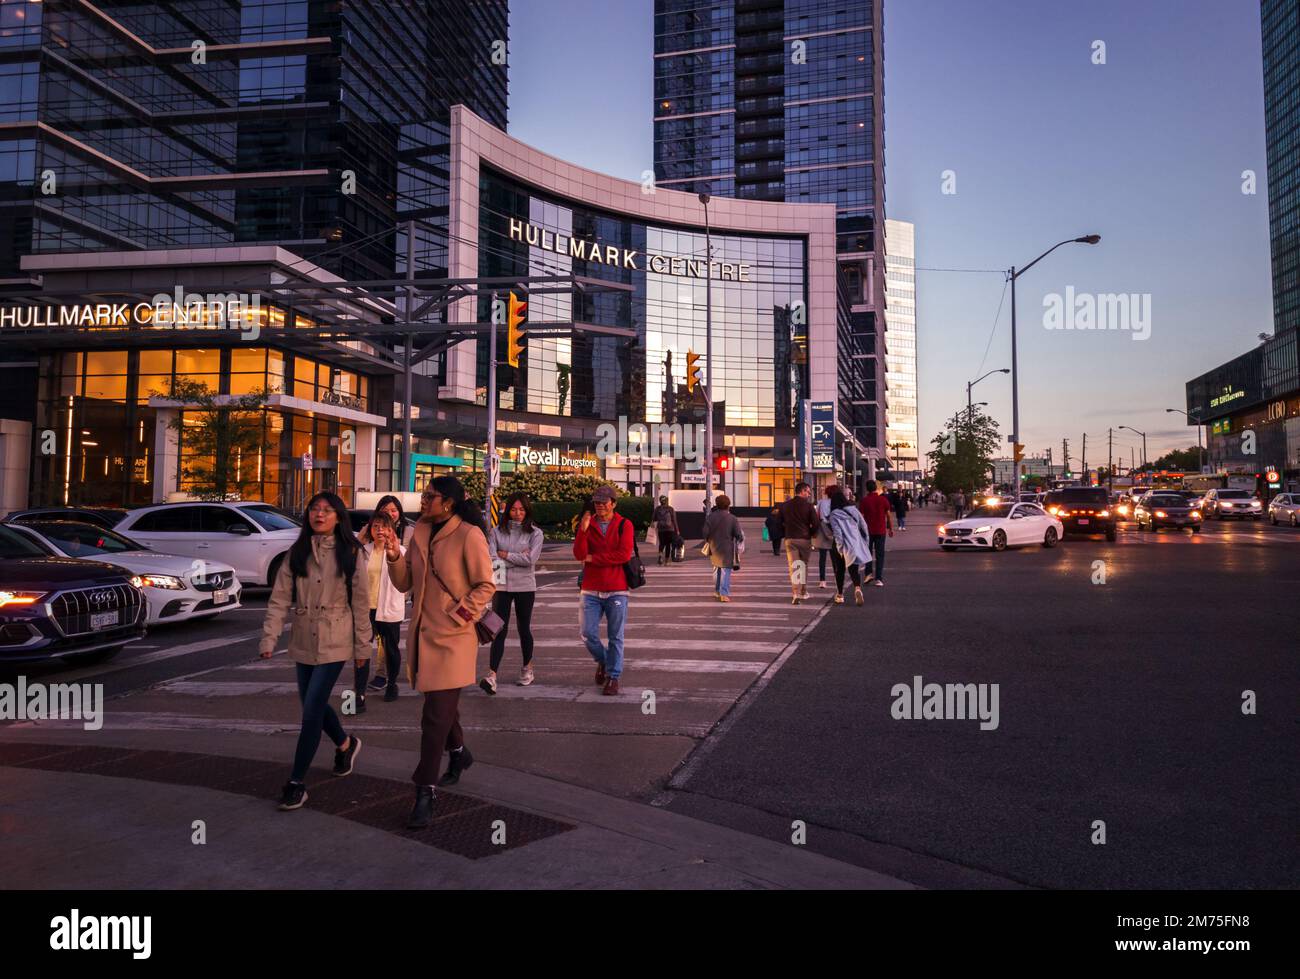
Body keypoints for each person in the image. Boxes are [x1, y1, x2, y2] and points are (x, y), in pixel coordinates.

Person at [384, 476, 495, 829]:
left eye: (429, 496)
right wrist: (392, 556)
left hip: (454, 637)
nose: (423, 500)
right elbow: (405, 583)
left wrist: (461, 613)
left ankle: (424, 790)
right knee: (442, 709)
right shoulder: (418, 532)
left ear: (447, 502)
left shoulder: (468, 534)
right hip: (422, 635)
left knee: (433, 718)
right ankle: (459, 753)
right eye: (424, 495)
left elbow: (485, 584)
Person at [260, 491, 372, 812]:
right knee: (314, 704)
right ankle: (345, 744)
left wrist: (362, 648)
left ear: (338, 517)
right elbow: (280, 598)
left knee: (310, 711)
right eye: (314, 509)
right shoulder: (296, 552)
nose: (319, 515)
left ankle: (296, 782)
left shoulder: (352, 552)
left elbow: (361, 604)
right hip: (303, 640)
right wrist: (269, 639)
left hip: (336, 638)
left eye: (326, 510)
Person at [573, 485, 634, 695]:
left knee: (616, 635)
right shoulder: (588, 525)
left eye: (604, 502)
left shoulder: (624, 524)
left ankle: (613, 677)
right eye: (597, 502)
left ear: (613, 504)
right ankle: (605, 661)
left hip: (617, 588)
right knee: (587, 633)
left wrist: (594, 559)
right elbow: (579, 554)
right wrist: (582, 530)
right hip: (590, 588)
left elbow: (623, 555)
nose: (599, 506)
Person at [480, 492, 543, 693]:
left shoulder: (535, 533)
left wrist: (504, 555)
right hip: (502, 586)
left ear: (527, 511)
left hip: (526, 586)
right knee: (499, 630)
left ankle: (527, 668)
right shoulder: (496, 532)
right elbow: (492, 559)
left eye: (522, 509)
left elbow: (530, 560)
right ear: (508, 511)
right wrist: (516, 558)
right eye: (514, 509)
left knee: (524, 628)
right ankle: (492, 675)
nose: (517, 513)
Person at [358, 495, 411, 694]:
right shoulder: (363, 551)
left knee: (391, 649)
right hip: (365, 608)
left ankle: (392, 684)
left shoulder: (401, 552)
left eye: (384, 527)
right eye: (375, 526)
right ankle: (359, 690)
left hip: (389, 608)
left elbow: (406, 581)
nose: (380, 530)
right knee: (362, 649)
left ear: (392, 529)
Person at [826, 486, 872, 605]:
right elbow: (864, 526)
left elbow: (838, 533)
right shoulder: (854, 510)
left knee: (839, 570)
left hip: (841, 545)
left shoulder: (834, 515)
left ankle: (840, 595)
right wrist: (865, 541)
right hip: (855, 543)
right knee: (853, 569)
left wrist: (840, 548)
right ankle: (857, 588)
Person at [779, 482, 820, 605]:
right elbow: (816, 523)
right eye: (807, 491)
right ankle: (803, 591)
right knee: (803, 565)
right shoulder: (809, 507)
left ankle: (795, 593)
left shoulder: (785, 506)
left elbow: (778, 522)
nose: (809, 494)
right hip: (805, 539)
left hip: (790, 539)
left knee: (794, 565)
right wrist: (812, 533)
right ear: (802, 491)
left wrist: (785, 533)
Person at [702, 493, 744, 602]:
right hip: (727, 549)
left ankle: (716, 591)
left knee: (716, 569)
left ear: (717, 504)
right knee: (726, 571)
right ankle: (724, 594)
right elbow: (738, 535)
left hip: (714, 547)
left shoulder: (710, 517)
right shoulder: (732, 518)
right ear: (728, 505)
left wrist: (709, 540)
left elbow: (705, 533)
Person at [857, 479, 894, 587]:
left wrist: (859, 530)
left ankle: (868, 574)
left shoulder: (864, 501)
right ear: (876, 489)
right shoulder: (883, 500)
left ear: (867, 489)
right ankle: (879, 578)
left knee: (867, 553)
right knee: (880, 554)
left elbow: (861, 517)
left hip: (867, 531)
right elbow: (888, 515)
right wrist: (890, 528)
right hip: (881, 531)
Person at [814, 485, 837, 589]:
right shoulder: (837, 503)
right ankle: (837, 578)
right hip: (834, 530)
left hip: (823, 530)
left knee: (822, 558)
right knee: (835, 557)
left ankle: (822, 580)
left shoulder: (821, 502)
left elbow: (816, 516)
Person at [652, 495, 679, 566]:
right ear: (666, 501)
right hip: (670, 529)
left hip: (661, 529)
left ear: (660, 501)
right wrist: (677, 530)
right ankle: (666, 562)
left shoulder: (657, 509)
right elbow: (674, 520)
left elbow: (654, 519)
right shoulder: (670, 509)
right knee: (668, 545)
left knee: (661, 543)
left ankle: (660, 555)